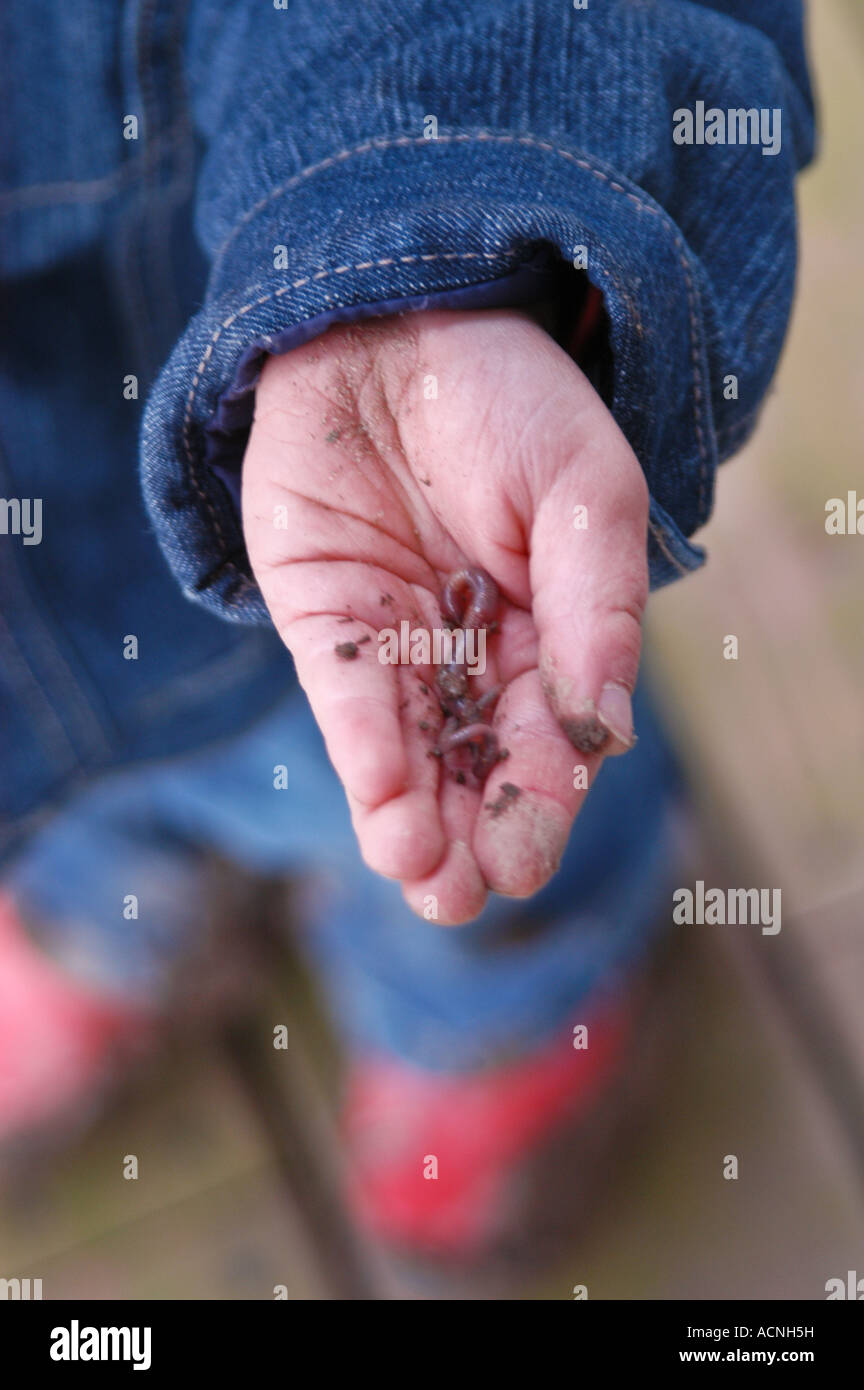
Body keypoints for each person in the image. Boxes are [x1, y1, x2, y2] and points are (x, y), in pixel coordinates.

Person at [0, 1, 814, 1267]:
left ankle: (498, 1002)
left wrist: (425, 251)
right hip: (39, 654)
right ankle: (113, 898)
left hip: (303, 466)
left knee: (492, 762)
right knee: (99, 781)